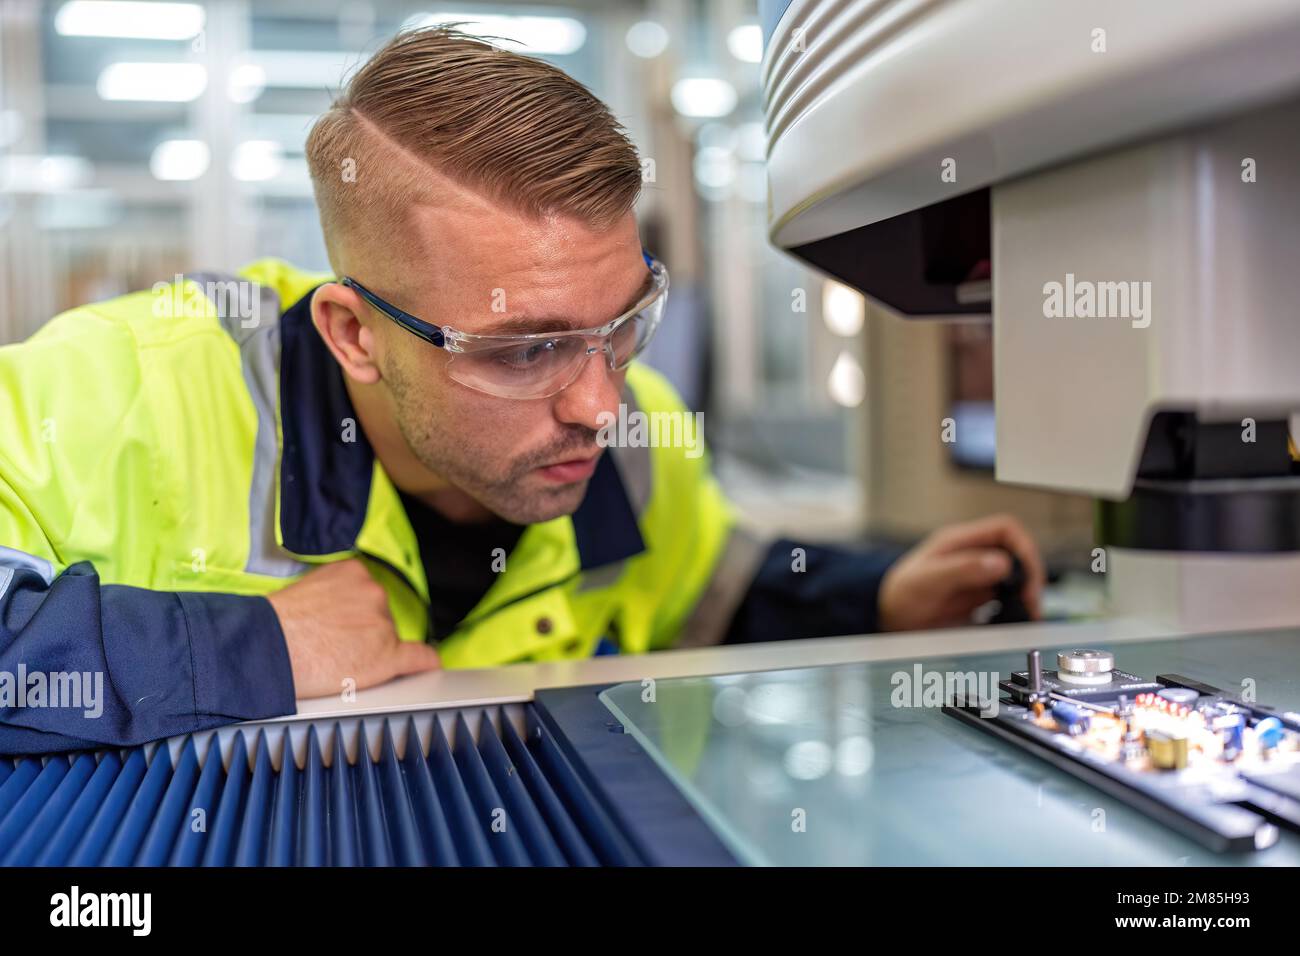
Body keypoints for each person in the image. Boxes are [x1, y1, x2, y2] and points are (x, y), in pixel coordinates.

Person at [0, 27, 1043, 754]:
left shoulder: (635, 436)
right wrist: (246, 649)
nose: (597, 400)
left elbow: (704, 590)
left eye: (623, 321)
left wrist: (873, 594)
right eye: (522, 349)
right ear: (354, 334)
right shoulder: (115, 391)